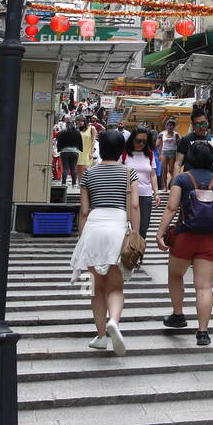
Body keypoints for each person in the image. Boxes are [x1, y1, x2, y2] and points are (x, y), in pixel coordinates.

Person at [71, 129, 140, 354]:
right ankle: (114, 322)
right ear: (122, 150)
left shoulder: (89, 174)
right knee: (115, 286)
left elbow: (83, 211)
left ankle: (101, 336)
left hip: (94, 227)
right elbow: (135, 206)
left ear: (100, 147)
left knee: (96, 288)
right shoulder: (129, 173)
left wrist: (82, 239)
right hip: (117, 227)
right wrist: (136, 234)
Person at [157, 139, 213, 346]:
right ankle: (203, 332)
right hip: (210, 239)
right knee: (204, 286)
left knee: (175, 274)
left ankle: (178, 315)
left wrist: (160, 233)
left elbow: (171, 208)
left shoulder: (182, 179)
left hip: (185, 237)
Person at [121, 126, 158, 242]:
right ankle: (126, 253)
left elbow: (152, 174)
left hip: (145, 195)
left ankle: (138, 253)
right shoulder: (124, 154)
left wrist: (156, 193)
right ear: (132, 139)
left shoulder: (150, 154)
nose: (141, 144)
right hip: (127, 195)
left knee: (143, 227)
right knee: (127, 225)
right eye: (138, 141)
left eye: (144, 141)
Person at [174, 110, 213, 179]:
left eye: (204, 124)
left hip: (209, 180)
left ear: (207, 121)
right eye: (198, 124)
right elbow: (178, 163)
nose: (201, 127)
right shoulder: (186, 139)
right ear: (193, 125)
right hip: (190, 180)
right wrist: (175, 182)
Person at [56, 119, 84, 187]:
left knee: (65, 168)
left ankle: (63, 183)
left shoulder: (62, 132)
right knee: (73, 168)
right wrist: (80, 149)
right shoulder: (77, 132)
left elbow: (59, 142)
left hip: (64, 152)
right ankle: (74, 184)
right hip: (74, 152)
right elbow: (80, 141)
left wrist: (59, 150)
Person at [158, 118, 180, 192]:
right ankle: (165, 187)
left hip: (173, 152)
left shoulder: (176, 134)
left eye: (171, 126)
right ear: (166, 126)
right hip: (164, 152)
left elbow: (179, 144)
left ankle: (173, 186)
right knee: (164, 170)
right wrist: (160, 154)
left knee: (171, 170)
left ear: (174, 127)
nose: (170, 127)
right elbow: (159, 145)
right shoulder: (162, 134)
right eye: (169, 125)